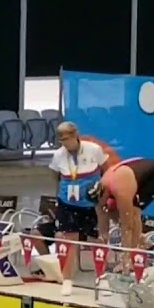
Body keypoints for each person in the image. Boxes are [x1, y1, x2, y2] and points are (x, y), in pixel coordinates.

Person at [49, 122, 113, 296]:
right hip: (68, 203)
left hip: (91, 203)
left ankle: (102, 278)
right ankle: (67, 280)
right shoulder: (58, 155)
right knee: (69, 240)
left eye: (67, 138)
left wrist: (103, 194)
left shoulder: (94, 149)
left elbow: (108, 172)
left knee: (97, 240)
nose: (64, 143)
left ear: (75, 134)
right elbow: (56, 177)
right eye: (61, 140)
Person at [87, 157, 154, 252]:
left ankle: (132, 255)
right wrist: (102, 252)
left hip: (153, 175)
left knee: (132, 215)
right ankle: (143, 241)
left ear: (104, 194)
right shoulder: (99, 193)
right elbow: (103, 226)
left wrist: (125, 257)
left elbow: (127, 226)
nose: (99, 205)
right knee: (112, 212)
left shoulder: (121, 190)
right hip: (128, 176)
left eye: (99, 201)